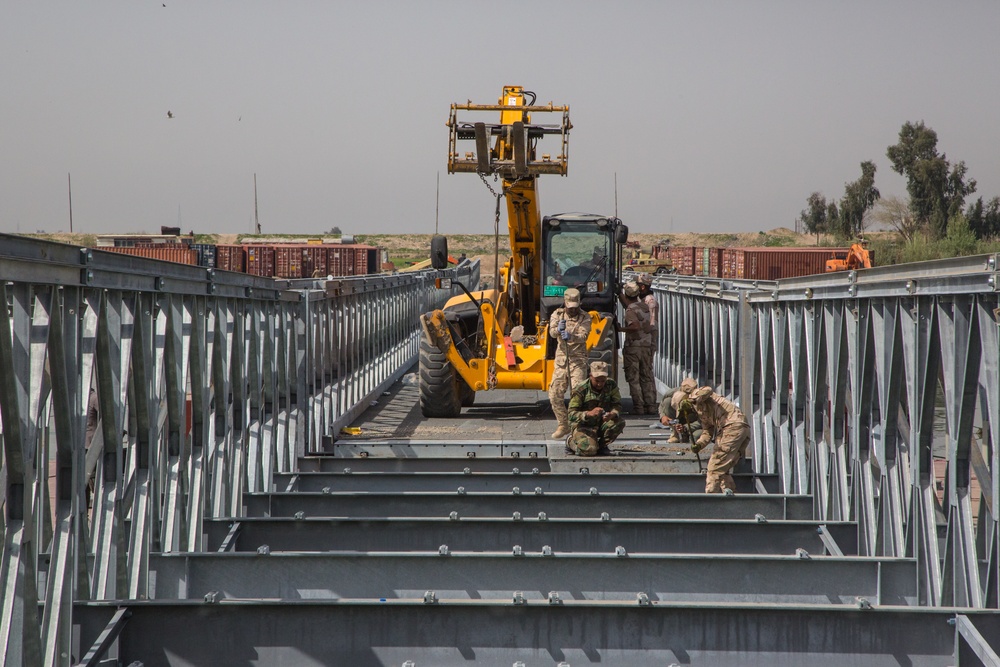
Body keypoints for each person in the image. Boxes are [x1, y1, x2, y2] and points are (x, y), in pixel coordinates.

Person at [548, 287, 592, 439]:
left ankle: (578, 427)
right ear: (565, 303)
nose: (573, 310)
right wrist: (558, 330)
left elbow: (584, 335)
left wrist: (571, 336)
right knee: (554, 394)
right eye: (570, 307)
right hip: (562, 360)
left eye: (575, 307)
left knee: (578, 395)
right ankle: (563, 424)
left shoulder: (585, 317)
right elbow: (552, 333)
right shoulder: (557, 314)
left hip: (578, 361)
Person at [689, 386, 751, 493]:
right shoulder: (703, 414)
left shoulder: (705, 398)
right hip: (740, 429)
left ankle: (712, 500)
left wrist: (693, 400)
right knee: (723, 469)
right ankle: (730, 496)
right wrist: (699, 444)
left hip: (732, 426)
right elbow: (707, 431)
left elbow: (707, 390)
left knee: (714, 468)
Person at [566, 360, 625, 456]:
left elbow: (617, 404)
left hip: (601, 422)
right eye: (597, 381)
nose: (600, 384)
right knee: (589, 451)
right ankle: (570, 442)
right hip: (582, 425)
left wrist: (612, 414)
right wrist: (588, 414)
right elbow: (570, 414)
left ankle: (602, 446)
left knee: (619, 422)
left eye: (603, 380)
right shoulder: (581, 389)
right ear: (590, 376)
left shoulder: (611, 385)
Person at [620, 282, 656, 414]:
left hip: (633, 347)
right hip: (646, 346)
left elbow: (634, 326)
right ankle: (651, 405)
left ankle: (638, 407)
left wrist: (620, 329)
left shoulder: (631, 310)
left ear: (626, 294)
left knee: (633, 378)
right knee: (646, 376)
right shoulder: (645, 307)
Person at [635, 273, 659, 406]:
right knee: (643, 371)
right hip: (644, 339)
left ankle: (650, 402)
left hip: (648, 340)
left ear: (643, 286)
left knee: (646, 371)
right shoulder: (642, 298)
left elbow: (652, 323)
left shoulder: (650, 301)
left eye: (638, 285)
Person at [658, 378, 703, 444]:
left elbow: (703, 421)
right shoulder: (672, 392)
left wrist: (685, 428)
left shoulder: (701, 399)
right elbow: (662, 404)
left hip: (694, 421)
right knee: (667, 402)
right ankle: (676, 434)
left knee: (695, 437)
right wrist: (663, 416)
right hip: (680, 419)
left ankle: (685, 434)